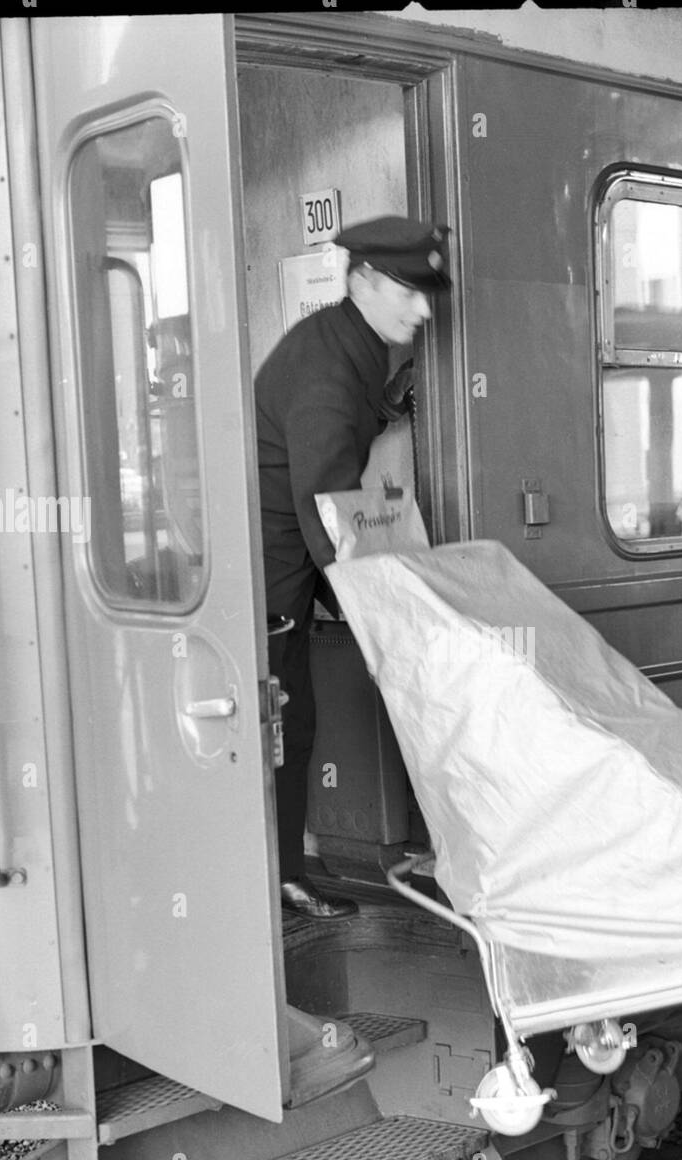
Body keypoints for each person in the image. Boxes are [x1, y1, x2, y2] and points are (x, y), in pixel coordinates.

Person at [255, 216, 451, 920]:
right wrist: (382, 614)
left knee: (289, 728)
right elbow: (329, 510)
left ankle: (276, 876)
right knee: (278, 732)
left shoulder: (352, 342)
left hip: (290, 572)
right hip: (272, 579)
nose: (424, 310)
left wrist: (391, 404)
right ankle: (271, 886)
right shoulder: (329, 368)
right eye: (409, 291)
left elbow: (346, 421)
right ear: (362, 281)